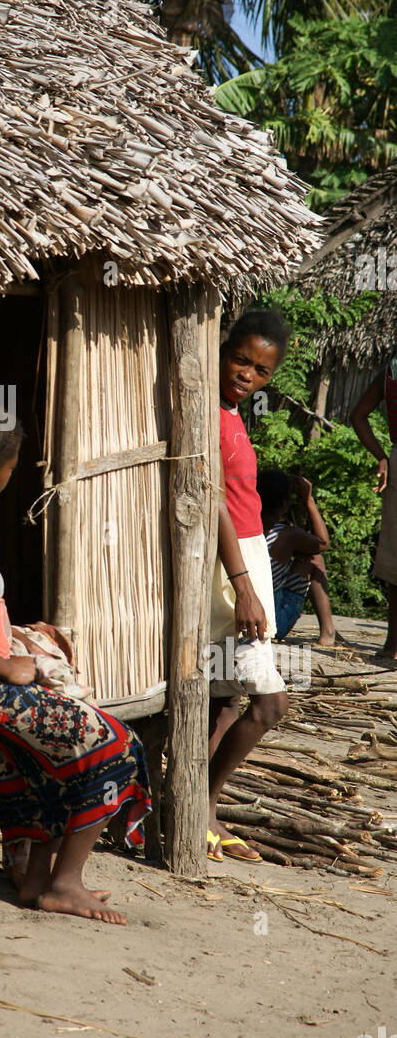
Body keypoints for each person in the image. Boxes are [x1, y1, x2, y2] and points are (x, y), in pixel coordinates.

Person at [0, 417, 151, 923]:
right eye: (11, 468)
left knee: (44, 752)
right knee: (119, 744)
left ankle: (38, 877)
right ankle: (66, 882)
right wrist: (9, 666)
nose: (13, 478)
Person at [208, 310, 292, 863]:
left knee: (220, 699)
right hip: (229, 565)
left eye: (261, 371)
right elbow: (212, 497)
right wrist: (243, 584)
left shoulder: (233, 413)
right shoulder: (206, 413)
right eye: (241, 360)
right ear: (222, 349)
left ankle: (197, 810)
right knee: (270, 703)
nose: (248, 375)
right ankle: (201, 805)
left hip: (248, 554)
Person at [351, 357, 397, 660]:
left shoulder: (392, 369)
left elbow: (358, 416)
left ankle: (393, 645)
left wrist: (383, 456)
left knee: (395, 560)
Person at [257, 469, 336, 644]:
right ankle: (328, 633)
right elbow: (323, 543)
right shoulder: (287, 535)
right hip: (273, 625)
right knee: (315, 559)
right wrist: (309, 501)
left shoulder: (246, 529)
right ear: (285, 505)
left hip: (247, 618)